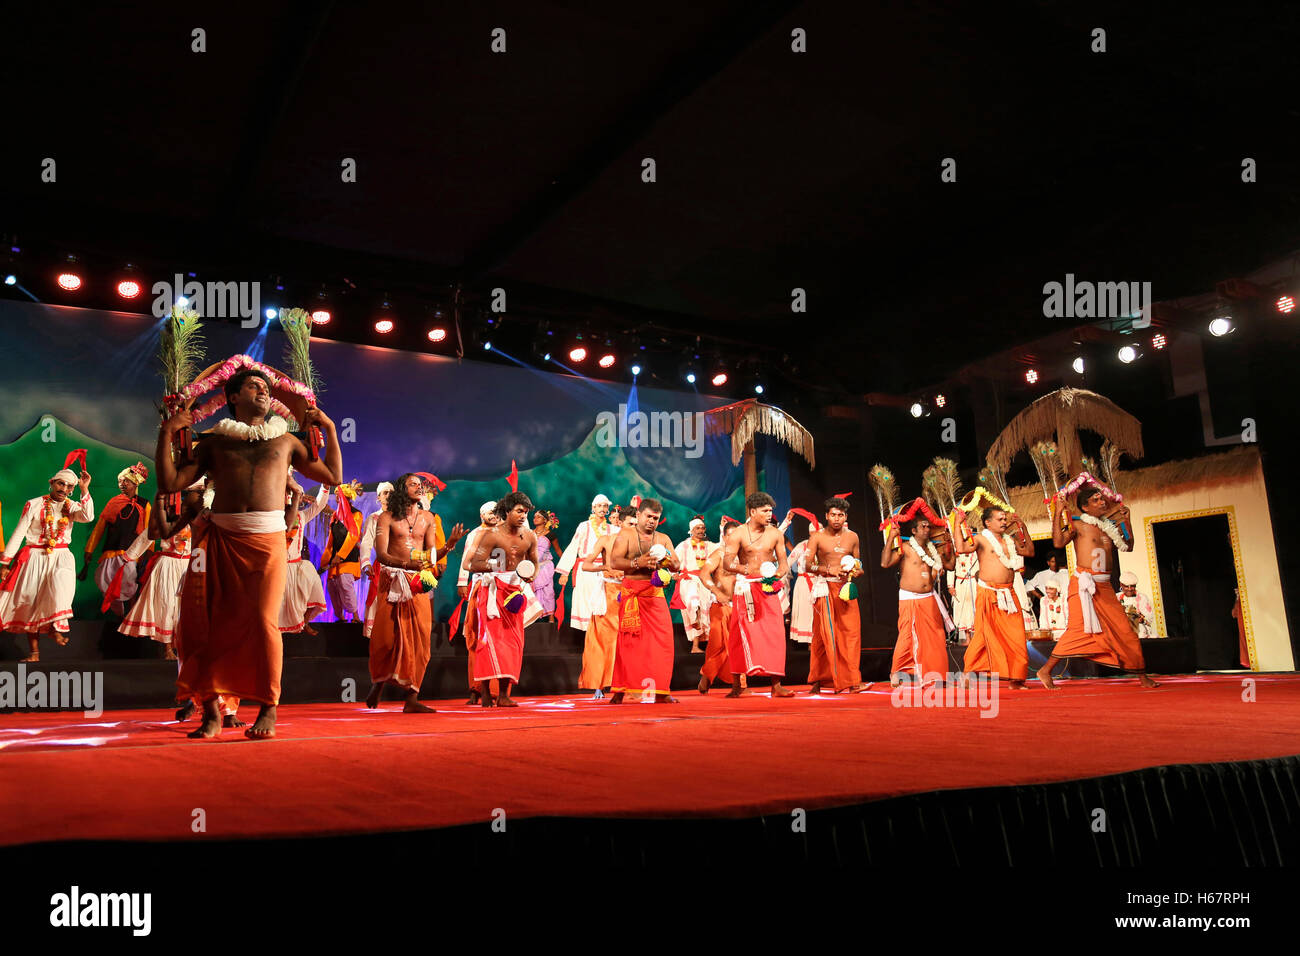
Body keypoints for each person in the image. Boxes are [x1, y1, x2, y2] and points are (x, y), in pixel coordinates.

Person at [157, 367, 342, 739]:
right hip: (220, 540)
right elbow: (170, 482)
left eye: (266, 387)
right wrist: (166, 432)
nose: (262, 390)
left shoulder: (287, 441)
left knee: (261, 623)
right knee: (204, 626)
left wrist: (332, 430)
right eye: (253, 386)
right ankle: (211, 714)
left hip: (268, 541)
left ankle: (268, 709)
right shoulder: (213, 442)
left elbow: (332, 476)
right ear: (233, 397)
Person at [1036, 486, 1158, 689]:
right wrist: (1058, 512)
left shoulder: (1108, 526)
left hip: (1105, 586)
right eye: (1096, 500)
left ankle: (1141, 675)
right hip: (1084, 584)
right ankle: (1045, 670)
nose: (1102, 502)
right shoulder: (1078, 525)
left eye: (1102, 499)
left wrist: (1126, 521)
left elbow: (1128, 545)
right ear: (1085, 507)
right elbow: (1058, 542)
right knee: (1077, 630)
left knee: (1125, 630)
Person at [0, 462, 95, 660]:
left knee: (61, 588)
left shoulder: (72, 506)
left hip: (61, 557)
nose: (65, 489)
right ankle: (34, 652)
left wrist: (84, 489)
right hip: (35, 557)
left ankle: (53, 626)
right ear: (52, 483)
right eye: (61, 484)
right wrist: (5, 563)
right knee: (31, 603)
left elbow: (88, 516)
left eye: (70, 487)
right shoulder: (34, 504)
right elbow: (19, 533)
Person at [363, 473, 441, 713]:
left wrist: (446, 548)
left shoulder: (428, 517)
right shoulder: (386, 518)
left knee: (420, 639)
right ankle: (378, 684)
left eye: (420, 484)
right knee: (386, 638)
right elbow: (383, 554)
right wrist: (407, 566)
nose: (419, 487)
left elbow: (430, 553)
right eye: (412, 484)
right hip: (392, 580)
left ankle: (412, 698)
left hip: (417, 583)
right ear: (401, 489)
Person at [464, 491, 544, 708]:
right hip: (492, 591)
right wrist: (497, 567)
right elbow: (473, 564)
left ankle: (503, 695)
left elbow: (535, 564)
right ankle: (485, 692)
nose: (523, 515)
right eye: (519, 511)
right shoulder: (491, 535)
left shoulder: (529, 536)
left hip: (515, 591)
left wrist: (531, 574)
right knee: (488, 643)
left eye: (525, 512)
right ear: (507, 511)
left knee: (513, 644)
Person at [608, 497, 681, 703]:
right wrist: (636, 562)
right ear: (638, 515)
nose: (651, 521)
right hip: (633, 595)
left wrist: (665, 558)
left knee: (663, 643)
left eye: (656, 518)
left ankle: (662, 691)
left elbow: (676, 564)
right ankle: (621, 690)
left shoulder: (664, 538)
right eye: (648, 516)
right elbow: (614, 561)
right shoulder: (626, 534)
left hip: (655, 595)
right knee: (629, 644)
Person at [954, 505, 1034, 689]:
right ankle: (968, 674)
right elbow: (961, 548)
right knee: (983, 635)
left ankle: (1016, 679)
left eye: (1005, 519)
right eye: (1000, 519)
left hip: (1009, 593)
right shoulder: (981, 539)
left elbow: (1029, 552)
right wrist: (958, 524)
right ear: (987, 523)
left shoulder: (1011, 540)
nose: (1004, 522)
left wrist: (1023, 528)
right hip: (988, 593)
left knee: (1017, 635)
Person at [119, 483, 203, 656]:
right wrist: (128, 557)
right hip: (168, 564)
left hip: (189, 565)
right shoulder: (170, 514)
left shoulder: (200, 518)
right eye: (198, 493)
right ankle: (166, 648)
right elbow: (149, 535)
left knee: (184, 608)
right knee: (166, 604)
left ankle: (182, 646)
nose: (200, 498)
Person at [724, 492, 793, 698]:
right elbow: (728, 563)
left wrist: (776, 576)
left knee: (776, 633)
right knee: (738, 634)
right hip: (745, 588)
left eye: (771, 511)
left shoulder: (775, 534)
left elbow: (783, 563)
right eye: (765, 511)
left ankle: (777, 685)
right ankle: (737, 685)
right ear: (753, 512)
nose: (769, 514)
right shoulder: (738, 534)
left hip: (768, 588)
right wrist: (744, 570)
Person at [883, 507, 955, 687]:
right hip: (910, 598)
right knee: (907, 636)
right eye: (923, 527)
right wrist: (891, 537)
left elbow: (951, 566)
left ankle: (937, 676)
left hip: (929, 597)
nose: (927, 529)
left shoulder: (933, 549)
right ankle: (897, 672)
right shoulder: (905, 548)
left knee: (936, 636)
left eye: (928, 527)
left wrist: (950, 545)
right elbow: (885, 563)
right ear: (913, 531)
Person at [806, 496, 869, 693]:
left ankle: (852, 681)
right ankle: (818, 681)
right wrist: (827, 570)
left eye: (840, 515)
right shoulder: (816, 537)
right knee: (823, 637)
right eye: (833, 515)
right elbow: (807, 565)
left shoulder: (853, 537)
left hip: (846, 591)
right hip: (825, 589)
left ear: (845, 517)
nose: (836, 519)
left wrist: (857, 571)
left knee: (851, 635)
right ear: (826, 516)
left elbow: (858, 563)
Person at [578, 505, 634, 697]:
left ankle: (628, 683)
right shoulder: (606, 540)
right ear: (619, 522)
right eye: (630, 523)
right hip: (608, 594)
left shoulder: (639, 543)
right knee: (602, 640)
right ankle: (599, 685)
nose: (633, 527)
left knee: (628, 639)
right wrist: (604, 569)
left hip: (630, 593)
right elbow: (586, 564)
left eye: (636, 524)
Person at [81, 461, 150, 617]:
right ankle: (118, 616)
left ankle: (130, 620)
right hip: (111, 551)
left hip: (132, 554)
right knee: (105, 582)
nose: (122, 484)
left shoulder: (145, 505)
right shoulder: (113, 502)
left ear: (135, 482)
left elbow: (148, 532)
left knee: (130, 585)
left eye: (126, 481)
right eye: (120, 481)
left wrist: (148, 553)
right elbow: (100, 527)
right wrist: (89, 549)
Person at [454, 500, 503, 705]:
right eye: (489, 513)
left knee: (498, 640)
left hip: (501, 588)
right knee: (476, 637)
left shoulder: (504, 532)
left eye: (495, 512)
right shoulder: (474, 534)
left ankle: (498, 691)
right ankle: (475, 689)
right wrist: (462, 582)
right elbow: (467, 559)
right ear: (482, 515)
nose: (493, 516)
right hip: (480, 586)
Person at [555, 494, 613, 632]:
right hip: (585, 569)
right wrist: (565, 573)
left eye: (605, 506)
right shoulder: (584, 526)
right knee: (585, 601)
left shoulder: (611, 529)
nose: (602, 508)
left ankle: (600, 635)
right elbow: (572, 548)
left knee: (602, 602)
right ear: (593, 508)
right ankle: (588, 638)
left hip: (603, 570)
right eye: (599, 505)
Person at [279, 478, 330, 635]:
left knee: (316, 592)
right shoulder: (274, 517)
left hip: (297, 565)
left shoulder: (301, 516)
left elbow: (318, 506)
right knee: (279, 606)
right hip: (278, 567)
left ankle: (304, 623)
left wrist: (325, 487)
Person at [697, 518, 741, 693]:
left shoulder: (744, 555)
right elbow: (703, 573)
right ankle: (706, 678)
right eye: (729, 535)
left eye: (735, 536)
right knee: (717, 646)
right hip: (720, 607)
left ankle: (738, 685)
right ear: (723, 536)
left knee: (737, 646)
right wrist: (717, 592)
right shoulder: (719, 554)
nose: (732, 539)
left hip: (739, 606)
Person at [670, 516, 716, 653]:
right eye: (698, 528)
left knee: (705, 611)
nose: (701, 530)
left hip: (704, 580)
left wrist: (721, 529)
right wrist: (673, 574)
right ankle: (694, 637)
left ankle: (699, 646)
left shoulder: (709, 545)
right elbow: (672, 561)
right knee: (693, 602)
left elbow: (722, 547)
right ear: (691, 530)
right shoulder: (683, 545)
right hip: (688, 579)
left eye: (703, 528)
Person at [322, 481, 365, 623]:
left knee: (345, 584)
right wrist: (326, 560)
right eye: (336, 496)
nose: (336, 499)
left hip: (349, 557)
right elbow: (331, 540)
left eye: (338, 496)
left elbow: (353, 536)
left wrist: (340, 556)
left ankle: (356, 617)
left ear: (346, 498)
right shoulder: (335, 516)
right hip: (334, 559)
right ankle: (340, 617)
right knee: (333, 586)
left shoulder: (356, 514)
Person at [358, 481, 394, 635]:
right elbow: (366, 541)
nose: (389, 495)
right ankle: (378, 637)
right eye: (385, 493)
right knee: (378, 600)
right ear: (378, 498)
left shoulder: (401, 517)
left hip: (402, 566)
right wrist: (366, 563)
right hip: (383, 564)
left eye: (391, 492)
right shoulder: (374, 518)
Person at [531, 509, 560, 621]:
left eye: (538, 516)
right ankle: (533, 617)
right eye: (534, 517)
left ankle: (551, 617)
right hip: (533, 567)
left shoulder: (550, 534)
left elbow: (558, 550)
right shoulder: (529, 533)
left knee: (548, 591)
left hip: (545, 567)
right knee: (533, 591)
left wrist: (567, 565)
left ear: (545, 520)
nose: (535, 518)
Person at [1118, 571, 1155, 639]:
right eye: (1126, 586)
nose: (1129, 589)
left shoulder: (1142, 598)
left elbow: (1149, 618)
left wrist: (1141, 619)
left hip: (1140, 632)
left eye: (1132, 586)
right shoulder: (1116, 597)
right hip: (1122, 632)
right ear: (1121, 585)